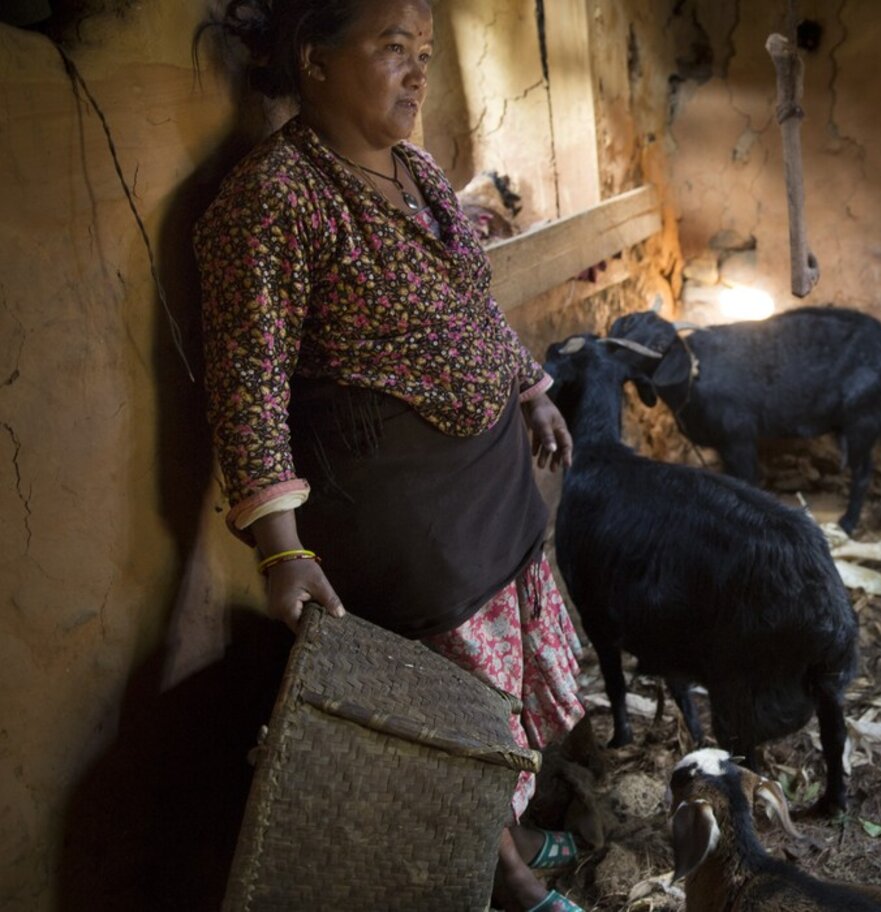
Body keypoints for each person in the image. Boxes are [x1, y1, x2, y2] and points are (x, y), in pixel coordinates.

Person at [197, 2, 585, 909]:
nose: (417, 73)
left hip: (486, 481)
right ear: (316, 61)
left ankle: (513, 833)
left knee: (499, 695)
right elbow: (247, 381)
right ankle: (513, 883)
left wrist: (528, 389)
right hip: (404, 513)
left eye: (424, 53)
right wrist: (282, 547)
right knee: (452, 705)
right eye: (391, 50)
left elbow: (472, 300)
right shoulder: (274, 198)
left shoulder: (414, 170)